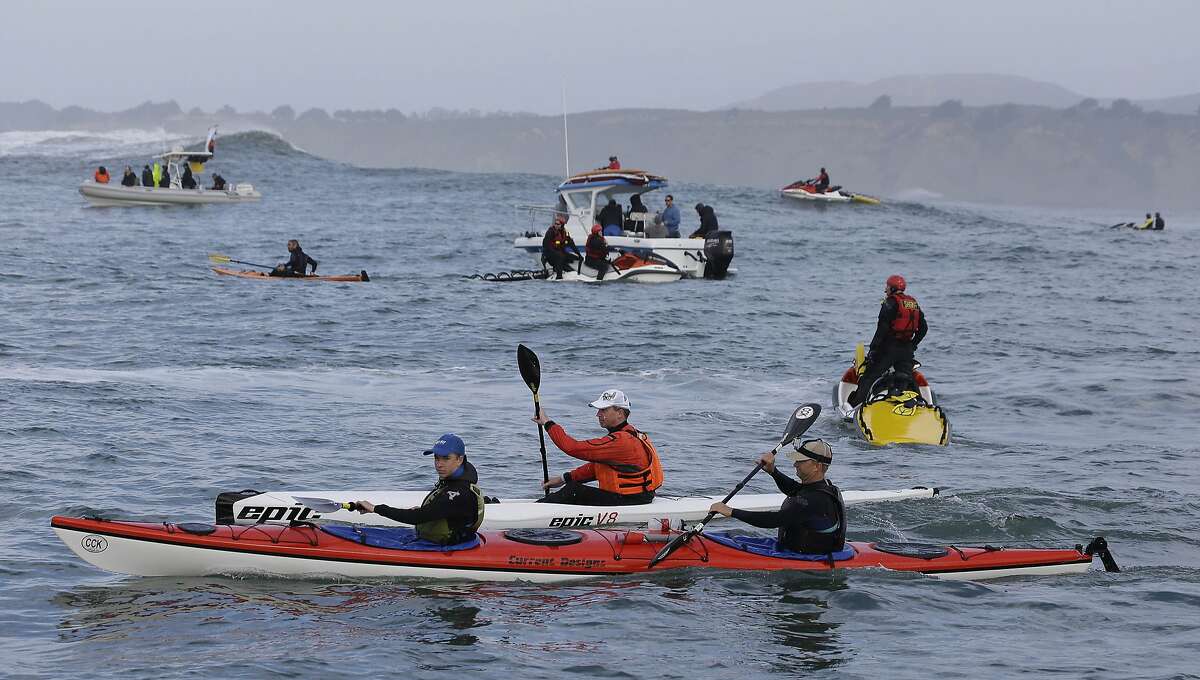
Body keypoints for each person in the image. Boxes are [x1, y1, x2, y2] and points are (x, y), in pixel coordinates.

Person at [708, 439, 845, 555]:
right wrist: (773, 471)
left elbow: (775, 520)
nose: (795, 464)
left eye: (800, 461)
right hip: (791, 549)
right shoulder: (822, 487)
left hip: (807, 557)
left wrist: (731, 512)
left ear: (817, 466)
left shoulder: (815, 500)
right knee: (723, 538)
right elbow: (794, 489)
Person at [533, 389, 664, 506]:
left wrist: (547, 423)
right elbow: (596, 468)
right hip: (638, 497)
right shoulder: (629, 435)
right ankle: (540, 507)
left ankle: (536, 512)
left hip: (631, 500)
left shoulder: (622, 442)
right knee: (573, 487)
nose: (598, 414)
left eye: (603, 410)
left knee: (573, 491)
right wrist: (563, 479)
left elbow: (572, 448)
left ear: (620, 413)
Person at [352, 434, 485, 545]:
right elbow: (445, 511)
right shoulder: (455, 480)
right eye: (436, 458)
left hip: (449, 546)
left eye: (446, 458)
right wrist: (428, 511)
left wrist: (375, 508)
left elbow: (416, 518)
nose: (439, 464)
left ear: (459, 459)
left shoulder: (459, 492)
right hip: (447, 538)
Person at [847, 274, 929, 408]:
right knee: (907, 377)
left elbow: (882, 330)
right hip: (906, 349)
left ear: (892, 288)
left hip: (889, 349)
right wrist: (913, 345)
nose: (885, 290)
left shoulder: (890, 302)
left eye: (887, 287)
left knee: (869, 377)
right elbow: (924, 328)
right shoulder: (913, 303)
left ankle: (854, 407)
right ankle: (920, 405)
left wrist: (873, 350)